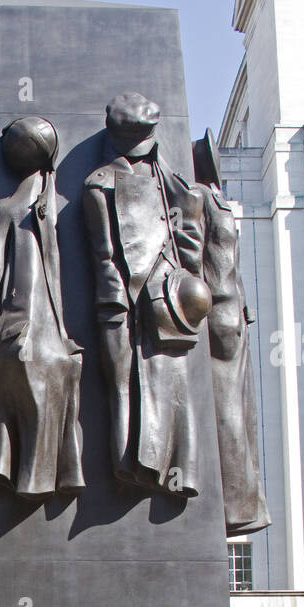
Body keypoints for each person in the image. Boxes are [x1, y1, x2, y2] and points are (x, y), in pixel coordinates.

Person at [83, 93, 212, 497]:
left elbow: (189, 238)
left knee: (174, 384)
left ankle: (179, 470)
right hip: (123, 302)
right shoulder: (99, 184)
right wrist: (117, 302)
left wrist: (181, 282)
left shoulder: (170, 182)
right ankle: (131, 464)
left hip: (165, 301)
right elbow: (103, 251)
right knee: (123, 382)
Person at [0, 116, 84, 499]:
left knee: (39, 394)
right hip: (28, 334)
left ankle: (27, 473)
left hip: (22, 332)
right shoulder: (25, 208)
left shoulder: (17, 208)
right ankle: (34, 480)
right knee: (40, 397)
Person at [193, 129, 270, 535]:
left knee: (229, 411)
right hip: (232, 314)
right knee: (236, 412)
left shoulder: (200, 198)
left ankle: (235, 504)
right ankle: (240, 503)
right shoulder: (218, 201)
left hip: (221, 315)